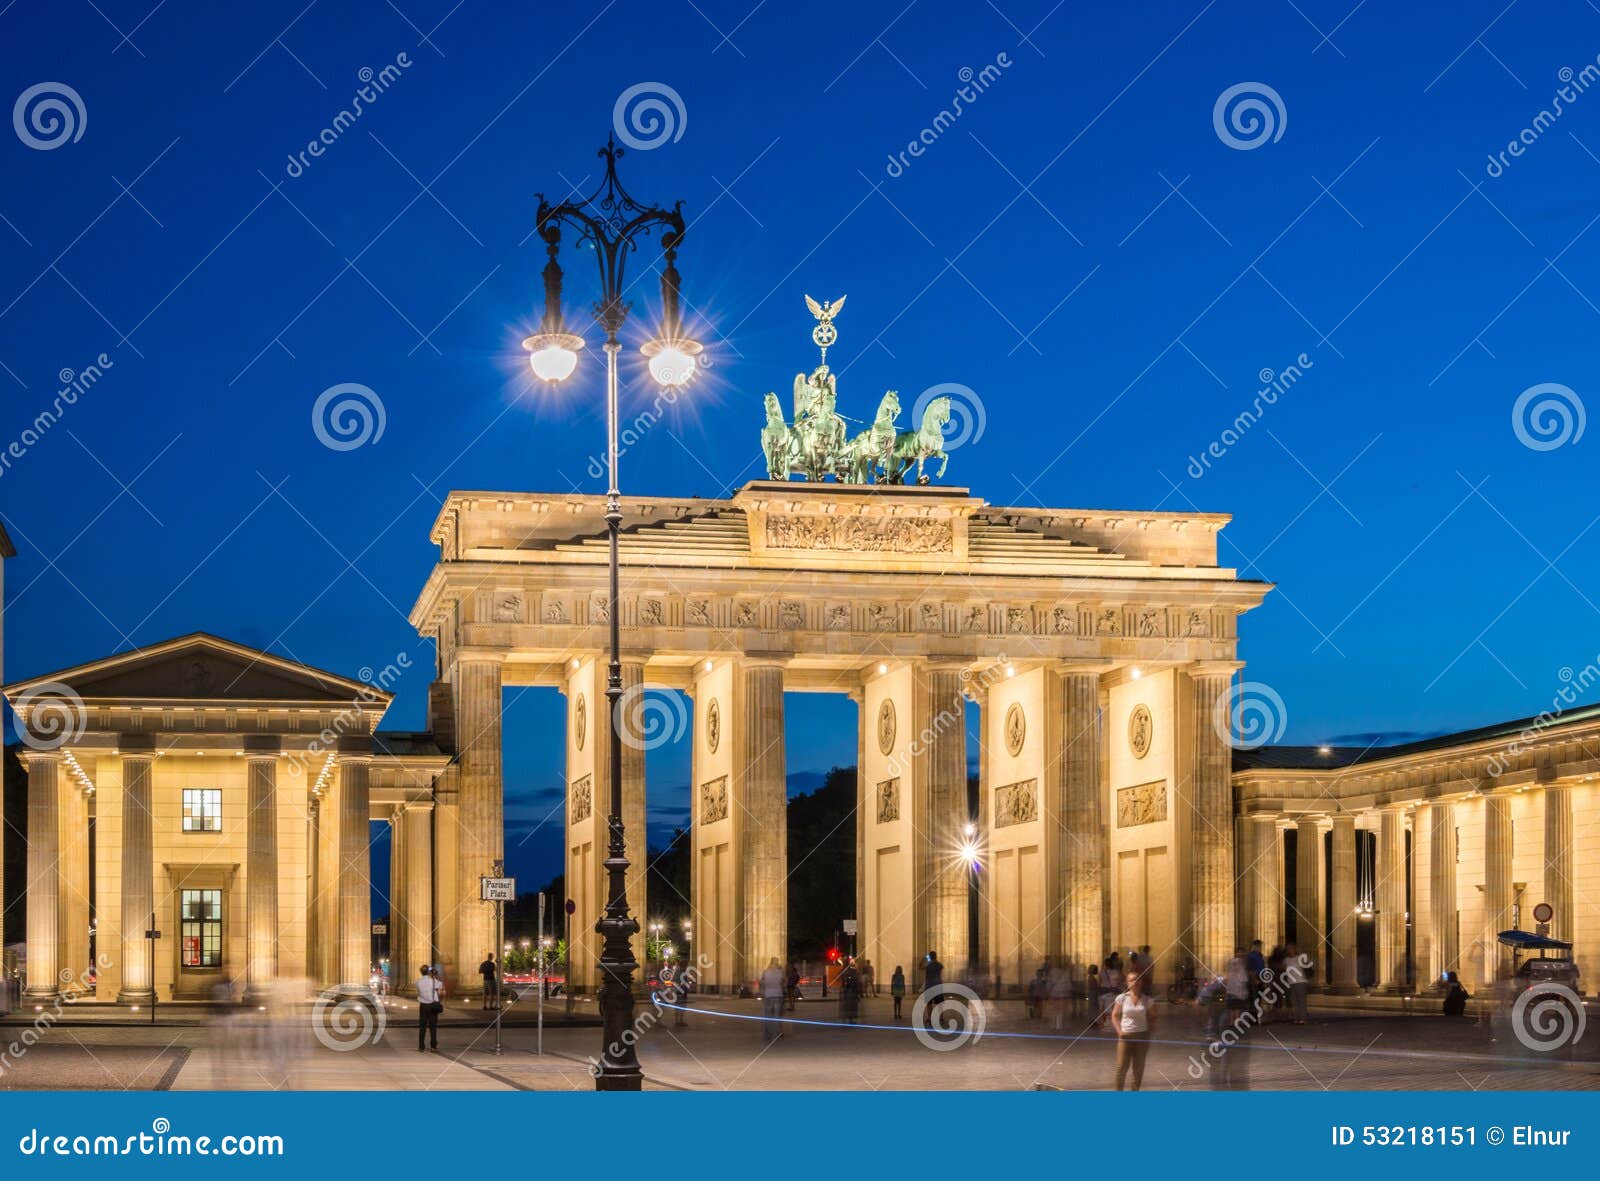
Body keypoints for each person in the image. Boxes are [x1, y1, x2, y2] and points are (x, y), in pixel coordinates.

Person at [1111, 970, 1156, 1091]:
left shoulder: (1148, 1000)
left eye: (1137, 979)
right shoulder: (1121, 998)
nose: (1135, 982)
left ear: (1141, 982)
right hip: (1125, 1036)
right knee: (1121, 1068)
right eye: (1131, 980)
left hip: (1142, 1037)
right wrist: (1119, 1031)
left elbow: (1153, 1016)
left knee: (1138, 1068)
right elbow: (1114, 1015)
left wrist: (1149, 1030)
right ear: (1127, 983)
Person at [416, 964, 444, 1053]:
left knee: (422, 1027)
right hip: (432, 1005)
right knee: (433, 1027)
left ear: (421, 972)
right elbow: (441, 986)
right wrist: (435, 975)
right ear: (428, 971)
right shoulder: (433, 981)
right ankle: (433, 1046)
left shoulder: (418, 982)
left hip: (423, 1006)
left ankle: (421, 1046)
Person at [759, 957, 786, 1042]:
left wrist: (762, 993)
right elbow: (784, 983)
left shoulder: (765, 972)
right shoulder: (780, 972)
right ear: (777, 963)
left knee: (767, 1015)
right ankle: (777, 1033)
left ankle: (767, 1034)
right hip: (778, 995)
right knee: (777, 1015)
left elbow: (762, 983)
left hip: (768, 995)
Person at [1286, 942, 1311, 1023]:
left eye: (1291, 948)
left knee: (1301, 1001)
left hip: (1301, 981)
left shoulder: (1299, 957)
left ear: (1294, 949)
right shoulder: (1286, 959)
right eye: (1288, 949)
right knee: (1294, 1001)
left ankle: (1303, 1019)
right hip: (1291, 982)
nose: (1289, 950)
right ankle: (1297, 1018)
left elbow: (1308, 964)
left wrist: (1301, 953)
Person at [839, 958, 863, 1024]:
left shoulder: (844, 971)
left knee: (847, 1005)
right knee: (851, 1005)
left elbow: (843, 981)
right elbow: (856, 981)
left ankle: (846, 1019)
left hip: (847, 990)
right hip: (851, 991)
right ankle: (850, 1019)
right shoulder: (852, 971)